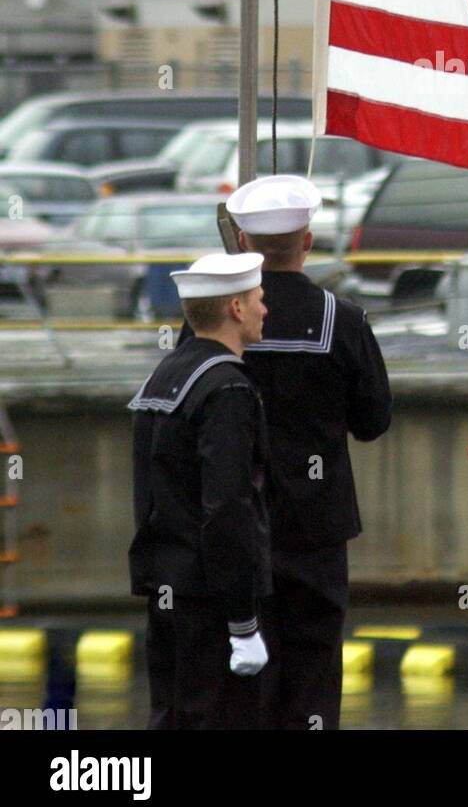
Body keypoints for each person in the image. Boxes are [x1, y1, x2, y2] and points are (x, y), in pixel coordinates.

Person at [222, 173, 392, 730]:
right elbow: (373, 421)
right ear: (309, 242)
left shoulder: (221, 321)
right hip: (317, 526)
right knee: (315, 666)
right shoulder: (343, 321)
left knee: (243, 673)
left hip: (239, 522)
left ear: (243, 243)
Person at [128, 252, 271, 730]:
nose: (264, 309)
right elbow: (228, 508)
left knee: (170, 715)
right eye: (258, 299)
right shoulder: (227, 388)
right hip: (209, 599)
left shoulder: (164, 375)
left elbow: (150, 493)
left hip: (166, 584)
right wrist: (243, 623)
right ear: (235, 309)